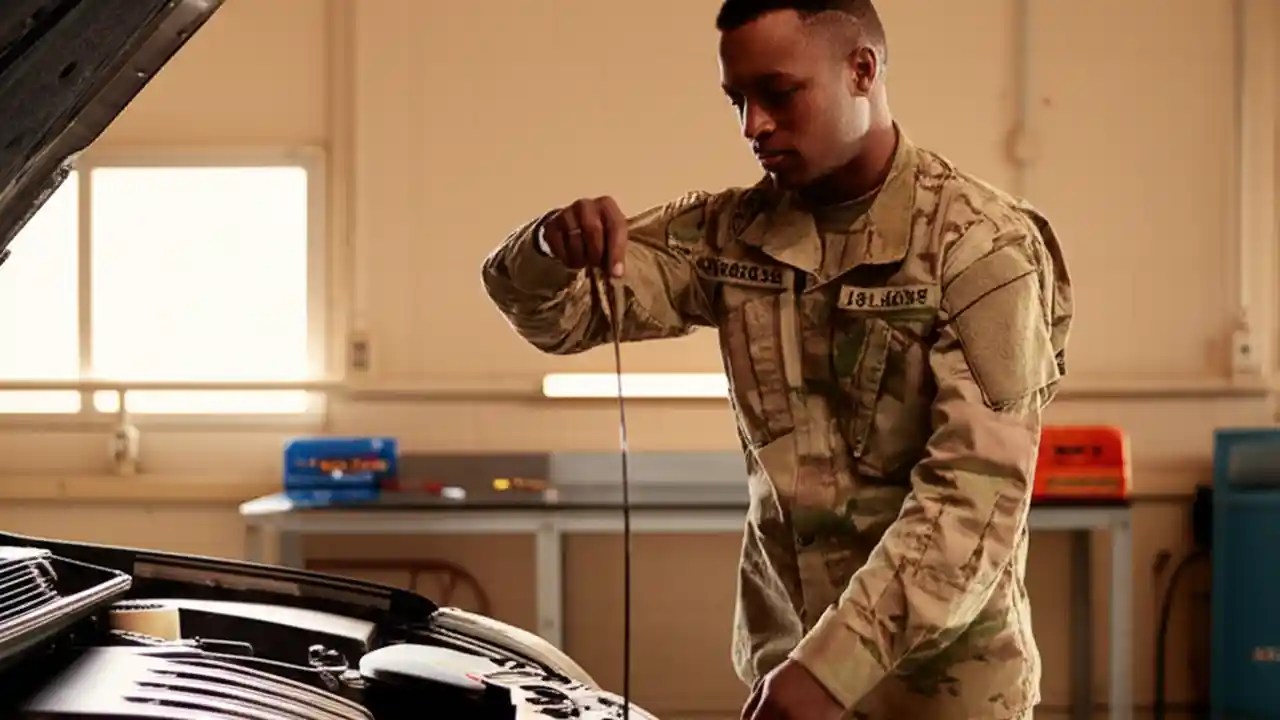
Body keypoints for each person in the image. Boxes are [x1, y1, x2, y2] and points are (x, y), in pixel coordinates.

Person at [481, 0, 1073, 717]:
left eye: (779, 93)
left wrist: (829, 671)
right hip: (783, 669)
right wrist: (548, 247)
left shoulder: (979, 247)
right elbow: (564, 319)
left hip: (939, 689)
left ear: (863, 70)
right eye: (737, 100)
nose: (752, 126)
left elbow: (973, 502)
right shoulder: (733, 236)